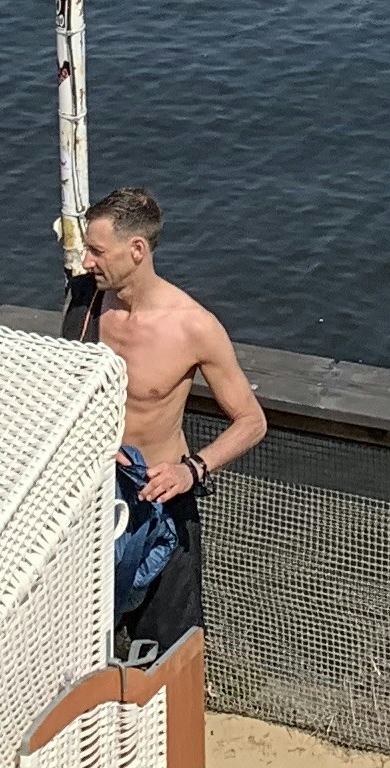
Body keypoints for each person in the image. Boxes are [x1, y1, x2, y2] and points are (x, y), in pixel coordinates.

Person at [68, 187, 267, 657]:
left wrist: (190, 470)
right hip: (88, 500)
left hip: (157, 501)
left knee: (165, 648)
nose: (87, 262)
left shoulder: (193, 327)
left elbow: (251, 421)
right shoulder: (84, 303)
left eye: (97, 251)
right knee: (80, 644)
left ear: (136, 250)